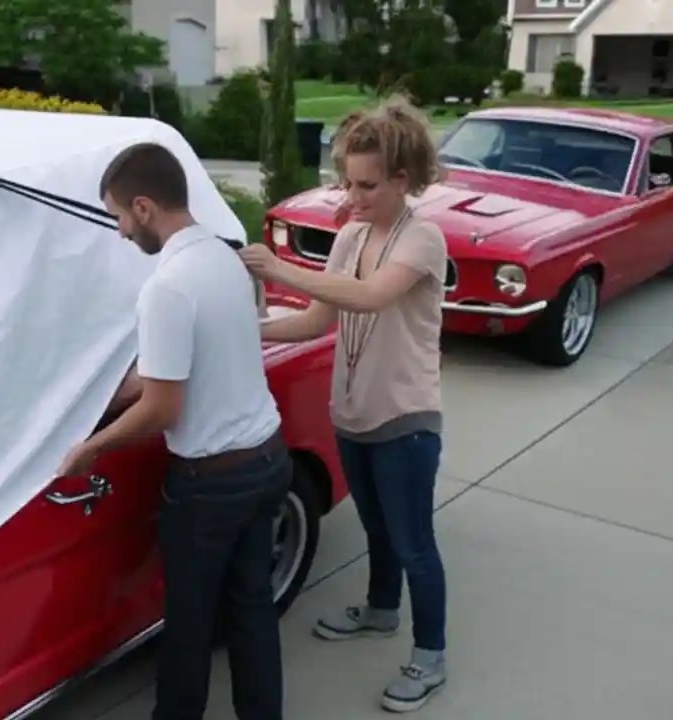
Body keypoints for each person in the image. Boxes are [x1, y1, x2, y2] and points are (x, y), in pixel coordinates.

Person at [56, 142, 291, 720]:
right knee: (252, 608)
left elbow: (163, 409)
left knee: (188, 622)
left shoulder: (166, 287)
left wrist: (89, 448)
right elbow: (194, 360)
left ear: (143, 206)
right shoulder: (223, 257)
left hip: (210, 487)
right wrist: (114, 391)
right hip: (266, 460)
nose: (117, 231)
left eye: (116, 216)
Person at [239, 97, 449, 714]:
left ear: (403, 180)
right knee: (376, 527)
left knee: (414, 543)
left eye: (367, 185)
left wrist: (280, 267)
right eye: (346, 182)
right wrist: (244, 327)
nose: (352, 197)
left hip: (405, 419)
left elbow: (368, 297)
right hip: (352, 415)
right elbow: (315, 322)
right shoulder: (351, 235)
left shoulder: (424, 238)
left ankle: (430, 655)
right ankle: (381, 611)